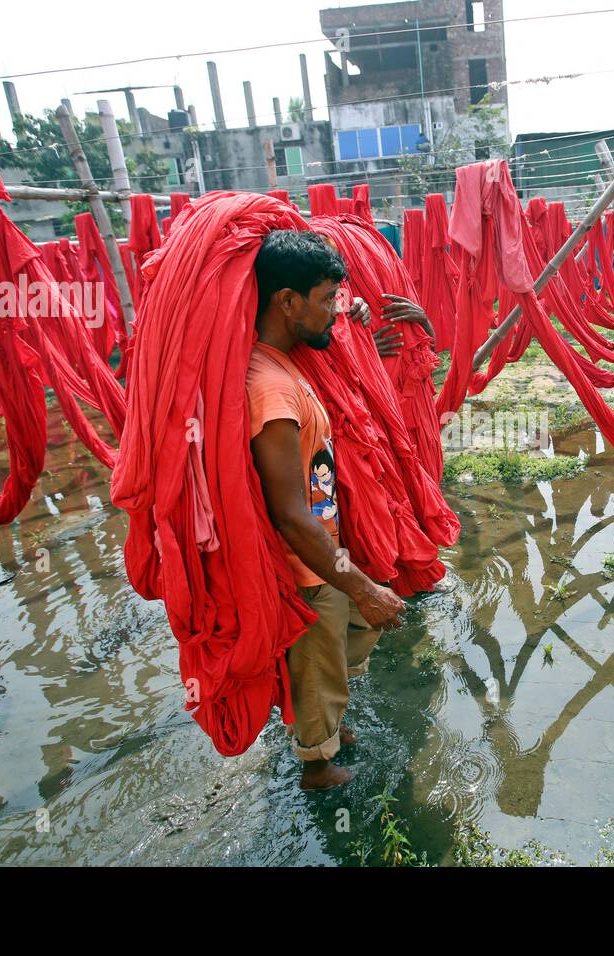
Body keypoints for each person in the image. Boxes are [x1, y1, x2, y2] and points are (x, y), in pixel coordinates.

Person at [247, 230, 407, 791]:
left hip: (328, 548)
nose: (333, 315)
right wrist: (361, 587)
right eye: (325, 301)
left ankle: (330, 728)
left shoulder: (292, 363)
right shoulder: (269, 388)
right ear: (287, 302)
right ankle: (317, 764)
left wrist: (359, 319)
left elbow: (344, 349)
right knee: (319, 661)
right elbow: (290, 516)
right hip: (307, 563)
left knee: (350, 637)